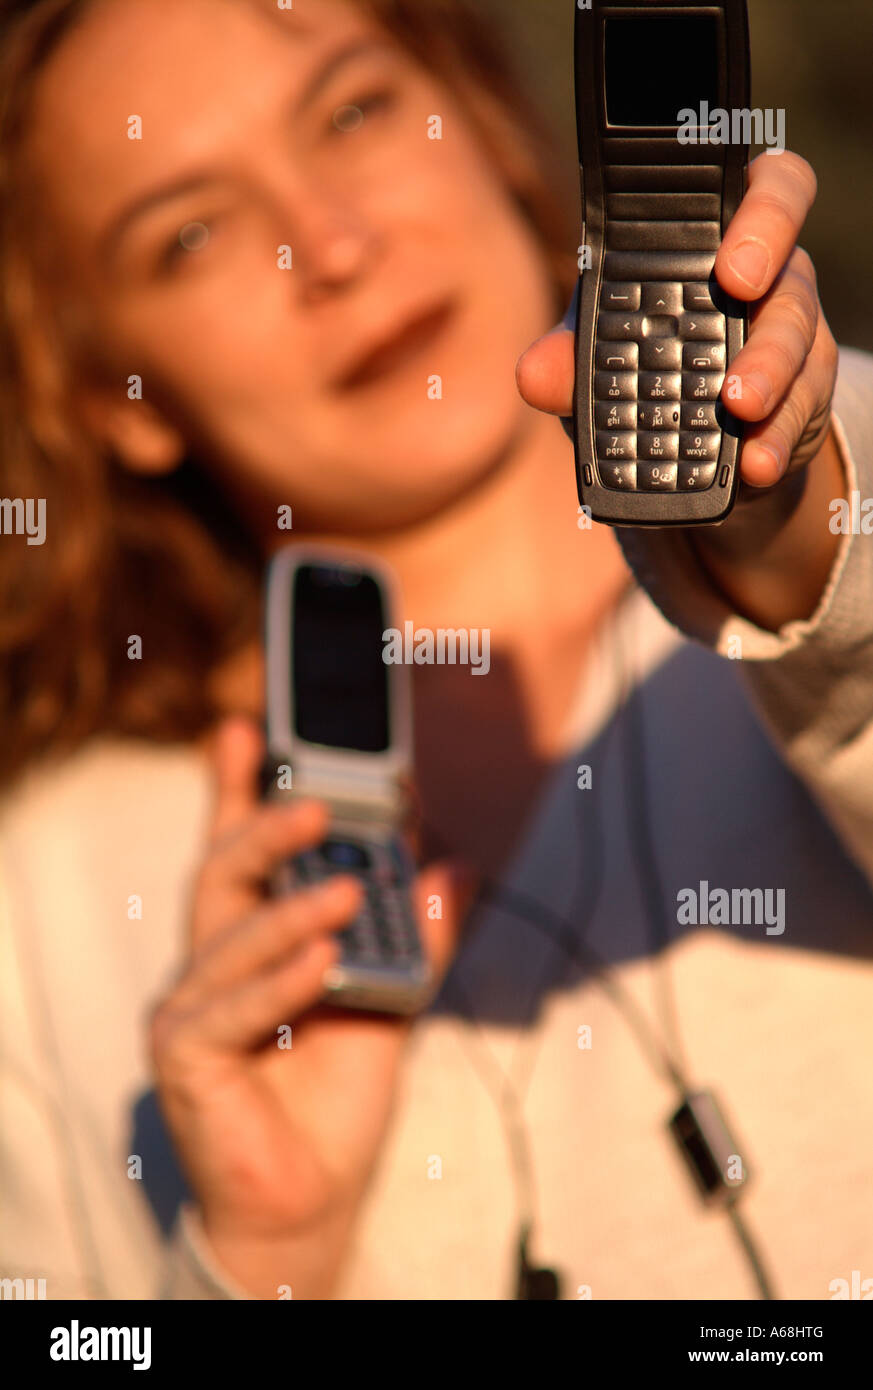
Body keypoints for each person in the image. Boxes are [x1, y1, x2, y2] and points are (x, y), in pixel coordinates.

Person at [2, 0, 872, 1302]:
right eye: (188, 233)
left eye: (352, 110)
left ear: (484, 120)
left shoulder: (835, 524)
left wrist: (789, 523)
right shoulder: (45, 899)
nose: (331, 245)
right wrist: (254, 1258)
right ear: (102, 394)